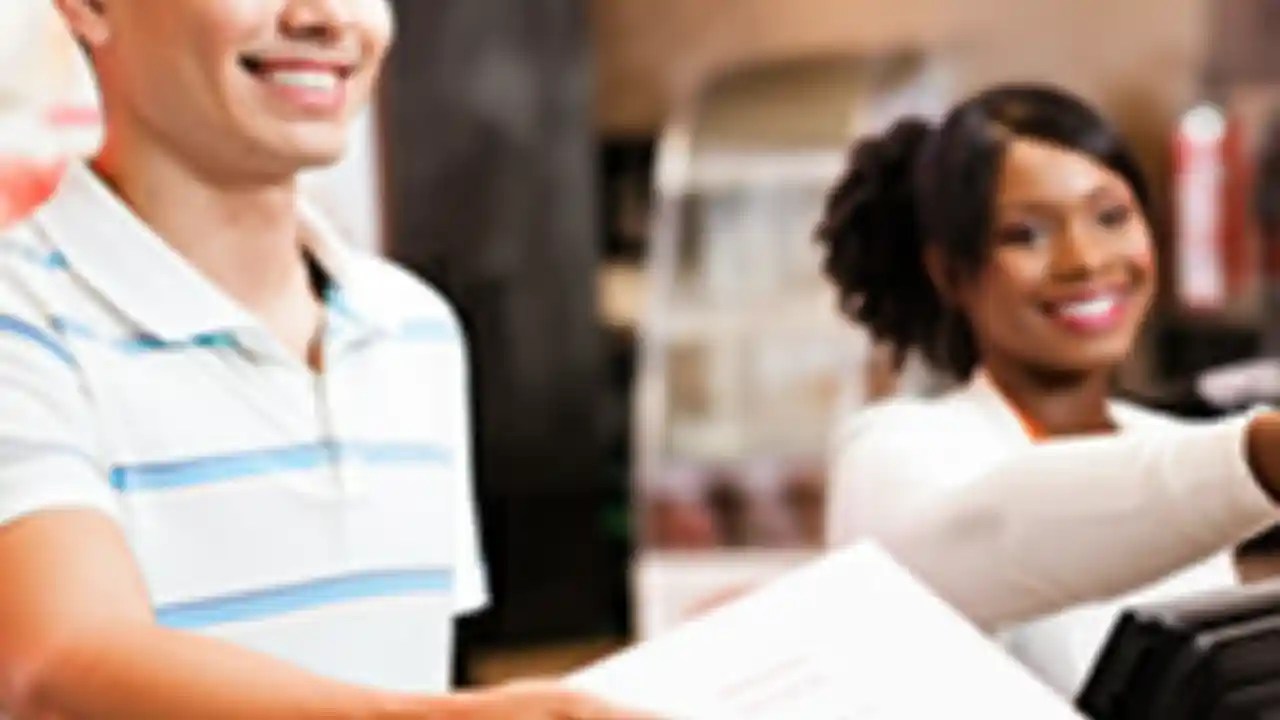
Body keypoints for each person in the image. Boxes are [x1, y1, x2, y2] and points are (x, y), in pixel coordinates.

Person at [0, 0, 642, 718]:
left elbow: (393, 673)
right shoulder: (20, 319)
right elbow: (57, 665)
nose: (325, 16)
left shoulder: (414, 332)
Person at [818, 84, 1280, 696]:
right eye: (1026, 235)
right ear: (951, 272)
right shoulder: (893, 451)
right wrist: (1253, 457)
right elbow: (1004, 532)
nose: (1085, 260)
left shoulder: (1169, 443)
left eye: (1111, 217)